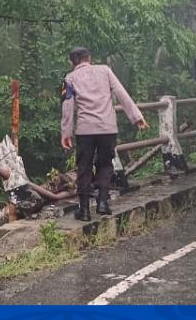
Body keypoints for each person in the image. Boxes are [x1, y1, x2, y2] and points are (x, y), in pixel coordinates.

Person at [60, 47, 149, 221]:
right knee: (106, 164)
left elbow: (67, 107)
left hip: (85, 130)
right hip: (107, 128)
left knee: (84, 167)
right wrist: (136, 117)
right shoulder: (105, 71)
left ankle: (84, 210)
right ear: (89, 58)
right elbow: (122, 94)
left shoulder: (69, 79)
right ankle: (102, 203)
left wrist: (66, 133)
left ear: (71, 62)